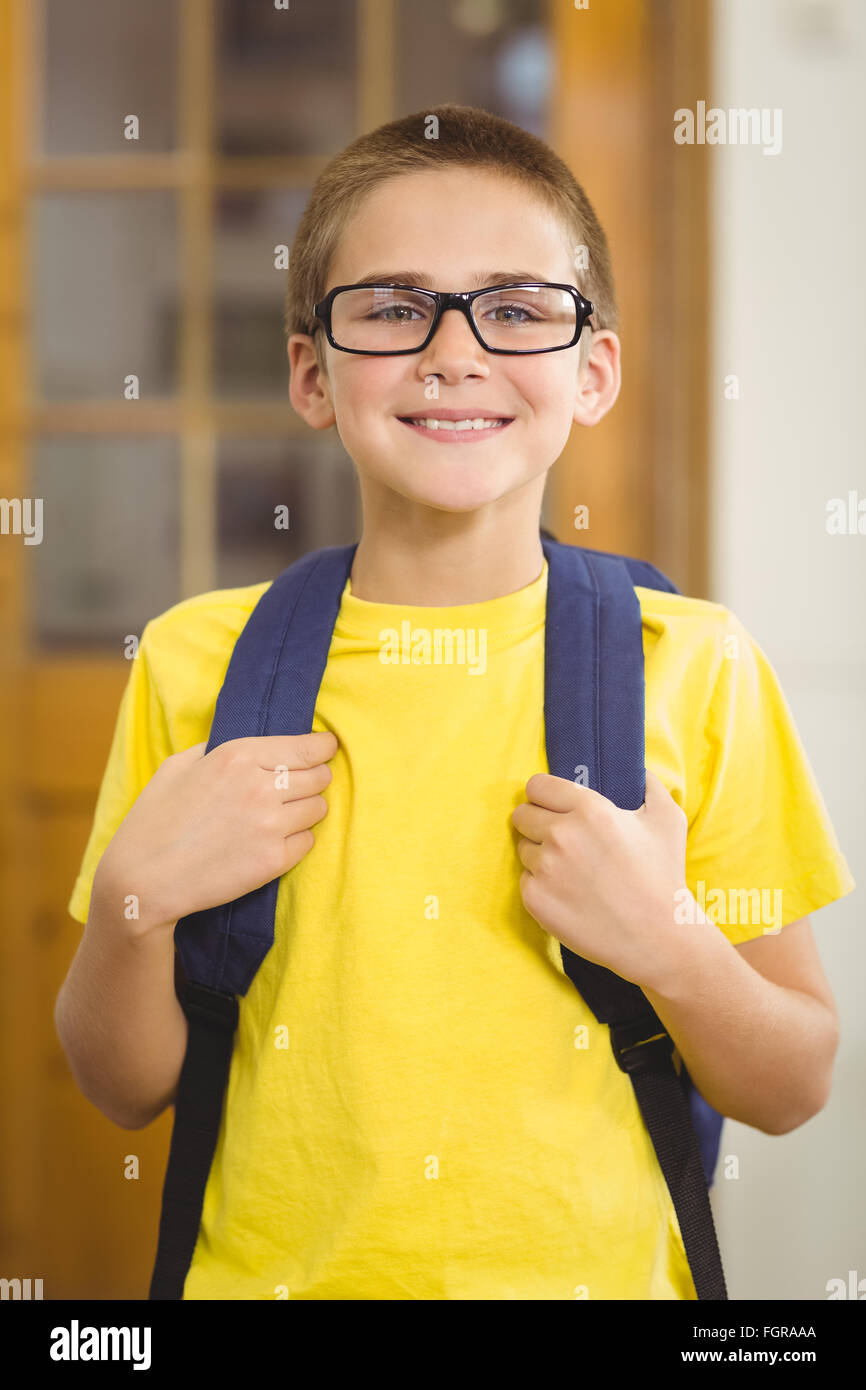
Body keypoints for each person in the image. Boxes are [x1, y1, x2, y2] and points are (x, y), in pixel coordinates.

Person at [56, 104, 855, 1300]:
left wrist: (666, 945)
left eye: (516, 308)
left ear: (593, 373)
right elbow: (124, 1088)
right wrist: (133, 900)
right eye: (390, 307)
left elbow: (793, 1083)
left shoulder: (692, 664)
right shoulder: (197, 663)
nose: (453, 351)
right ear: (310, 373)